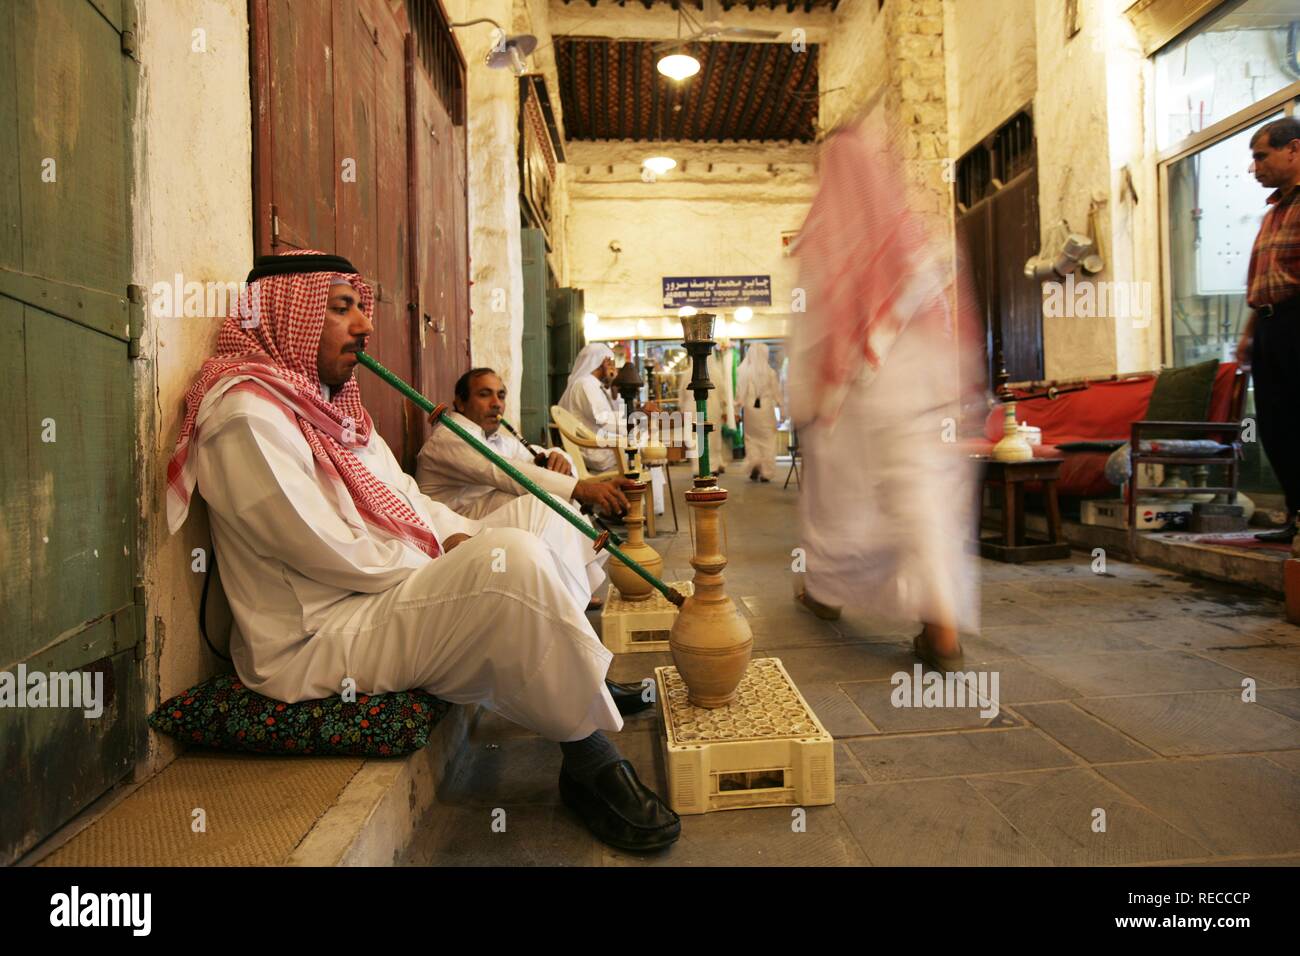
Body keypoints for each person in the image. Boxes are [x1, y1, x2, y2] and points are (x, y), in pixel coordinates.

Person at [165, 251, 679, 851]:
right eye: (341, 308)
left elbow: (405, 497)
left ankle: (574, 669)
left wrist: (457, 535)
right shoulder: (245, 415)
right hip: (315, 635)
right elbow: (325, 550)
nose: (364, 325)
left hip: (376, 598)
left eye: (362, 307)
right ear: (285, 318)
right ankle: (589, 758)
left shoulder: (329, 408)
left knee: (544, 516)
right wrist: (452, 557)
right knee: (508, 565)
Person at [789, 92, 983, 673]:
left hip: (855, 396)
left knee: (841, 504)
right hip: (924, 396)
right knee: (922, 505)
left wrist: (805, 404)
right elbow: (949, 322)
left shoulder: (823, 242)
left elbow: (811, 335)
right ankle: (940, 629)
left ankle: (824, 593)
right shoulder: (908, 240)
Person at [415, 366, 633, 521]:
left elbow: (536, 456)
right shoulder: (451, 437)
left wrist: (559, 457)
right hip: (457, 528)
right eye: (484, 395)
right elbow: (505, 472)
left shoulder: (494, 439)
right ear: (460, 403)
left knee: (548, 499)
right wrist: (581, 489)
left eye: (501, 396)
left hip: (488, 522)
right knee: (539, 504)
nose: (496, 404)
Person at [1239, 116, 1300, 544]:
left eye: (1262, 156)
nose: (1254, 167)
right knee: (1277, 425)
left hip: (1298, 321)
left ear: (1294, 150)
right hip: (1269, 327)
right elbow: (1262, 280)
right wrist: (1248, 333)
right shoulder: (1275, 212)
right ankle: (1295, 516)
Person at [558, 343, 620, 474]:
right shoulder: (585, 384)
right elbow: (603, 420)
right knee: (645, 446)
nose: (613, 367)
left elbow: (613, 412)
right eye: (611, 362)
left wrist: (613, 385)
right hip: (594, 451)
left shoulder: (594, 384)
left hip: (600, 444)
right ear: (604, 362)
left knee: (644, 441)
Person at [735, 342, 782, 482]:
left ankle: (755, 463)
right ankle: (766, 471)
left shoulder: (745, 373)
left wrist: (736, 409)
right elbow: (777, 395)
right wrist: (784, 411)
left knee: (751, 439)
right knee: (768, 440)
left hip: (751, 411)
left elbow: (740, 396)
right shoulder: (771, 373)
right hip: (766, 410)